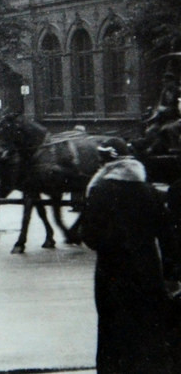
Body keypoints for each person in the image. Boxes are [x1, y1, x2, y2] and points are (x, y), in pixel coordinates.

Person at [81, 155, 181, 373]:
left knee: (110, 322)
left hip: (111, 270)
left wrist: (110, 244)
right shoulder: (150, 192)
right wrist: (172, 274)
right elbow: (167, 238)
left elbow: (88, 235)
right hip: (147, 268)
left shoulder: (101, 191)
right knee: (147, 323)